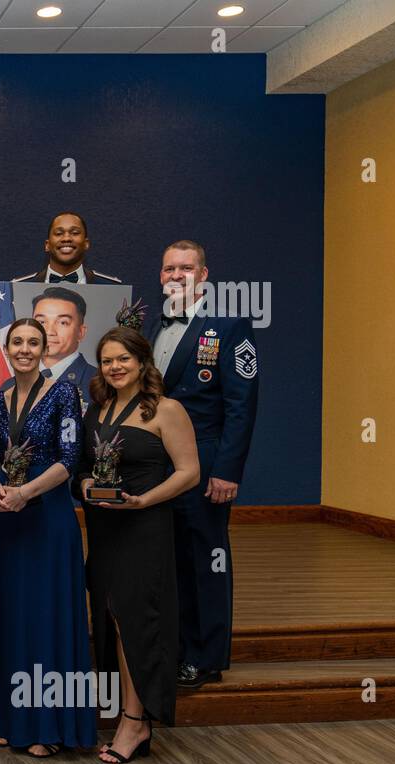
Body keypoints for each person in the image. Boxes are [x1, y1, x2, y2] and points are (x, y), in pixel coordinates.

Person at [77, 327, 199, 764]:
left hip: (145, 525)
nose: (114, 367)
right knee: (111, 616)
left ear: (143, 362)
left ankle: (136, 720)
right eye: (107, 360)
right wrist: (88, 483)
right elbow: (82, 469)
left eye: (123, 359)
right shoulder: (97, 409)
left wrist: (145, 499)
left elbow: (189, 472)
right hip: (104, 526)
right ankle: (130, 713)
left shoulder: (168, 410)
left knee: (136, 618)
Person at [0, 317, 95, 756]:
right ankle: (7, 718)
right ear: (7, 349)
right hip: (6, 520)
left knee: (45, 618)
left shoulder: (64, 392)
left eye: (33, 343)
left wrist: (25, 492)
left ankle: (46, 726)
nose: (24, 349)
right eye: (17, 342)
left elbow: (68, 460)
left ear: (45, 349)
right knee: (10, 618)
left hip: (47, 518)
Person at [149, 240, 258, 689]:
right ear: (160, 276)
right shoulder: (152, 326)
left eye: (186, 268)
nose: (177, 276)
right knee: (169, 559)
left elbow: (242, 405)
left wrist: (228, 469)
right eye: (170, 268)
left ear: (205, 275)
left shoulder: (230, 327)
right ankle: (174, 649)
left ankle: (207, 656)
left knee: (206, 558)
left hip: (206, 462)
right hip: (157, 465)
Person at [1, 287, 97, 399]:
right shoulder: (9, 385)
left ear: (81, 332)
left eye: (63, 323)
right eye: (41, 322)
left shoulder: (98, 382)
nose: (49, 332)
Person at [13, 212, 122, 285]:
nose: (66, 238)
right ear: (47, 245)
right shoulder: (19, 288)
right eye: (59, 233)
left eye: (75, 233)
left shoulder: (112, 288)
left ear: (86, 243)